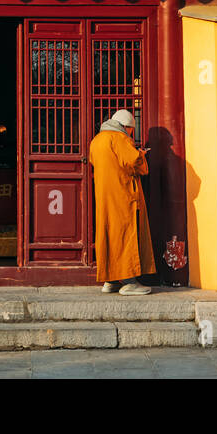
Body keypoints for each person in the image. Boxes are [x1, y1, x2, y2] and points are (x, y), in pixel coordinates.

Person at [89, 108, 155, 295]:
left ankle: (110, 280)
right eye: (131, 130)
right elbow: (133, 161)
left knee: (109, 235)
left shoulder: (97, 140)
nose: (132, 134)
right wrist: (141, 154)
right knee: (125, 234)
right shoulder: (120, 138)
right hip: (123, 194)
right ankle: (129, 281)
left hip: (104, 195)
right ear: (126, 127)